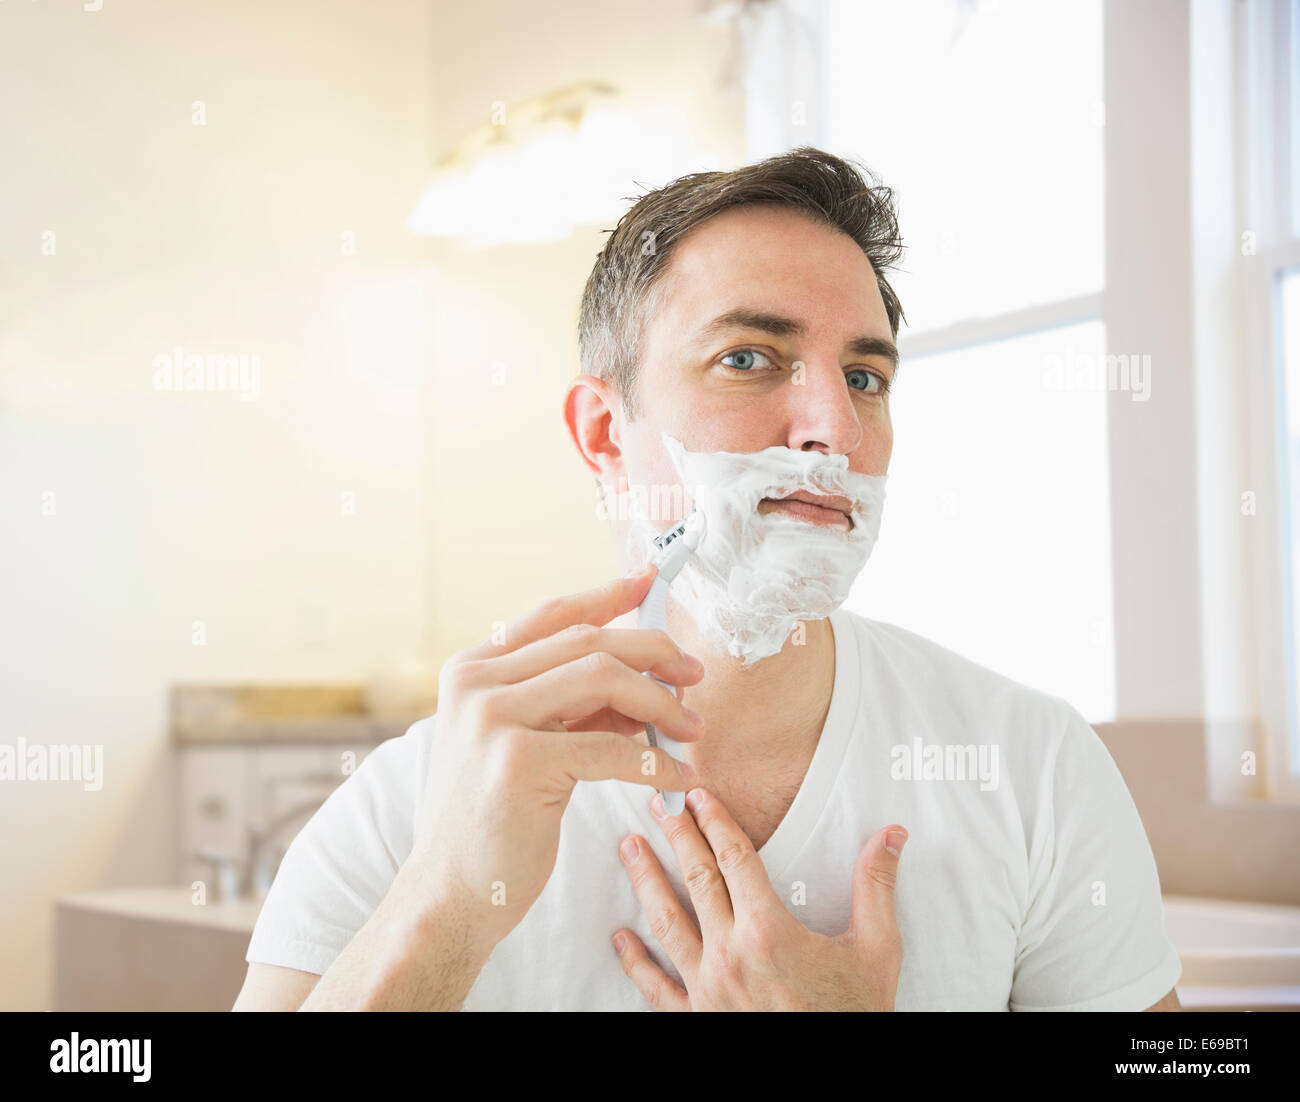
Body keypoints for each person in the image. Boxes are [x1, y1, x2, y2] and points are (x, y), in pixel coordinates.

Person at [233, 147, 1182, 1011]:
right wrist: (443, 904)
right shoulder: (414, 802)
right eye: (747, 359)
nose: (836, 432)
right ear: (604, 434)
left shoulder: (1030, 762)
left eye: (864, 377)